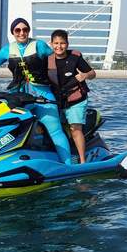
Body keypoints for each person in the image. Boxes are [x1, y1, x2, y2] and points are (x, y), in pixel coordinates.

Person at [0, 17, 73, 163]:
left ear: (28, 31)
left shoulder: (39, 45)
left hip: (42, 93)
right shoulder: (8, 49)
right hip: (17, 95)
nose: (22, 33)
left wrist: (74, 65)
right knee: (5, 124)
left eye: (25, 29)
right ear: (13, 32)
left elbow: (58, 57)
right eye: (18, 30)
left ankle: (68, 165)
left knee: (54, 129)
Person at [47, 29, 97, 163]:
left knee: (75, 128)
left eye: (62, 43)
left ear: (67, 44)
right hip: (57, 100)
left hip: (76, 99)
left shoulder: (75, 58)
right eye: (56, 43)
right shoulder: (47, 60)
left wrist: (85, 75)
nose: (59, 46)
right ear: (51, 44)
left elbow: (93, 73)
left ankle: (82, 161)